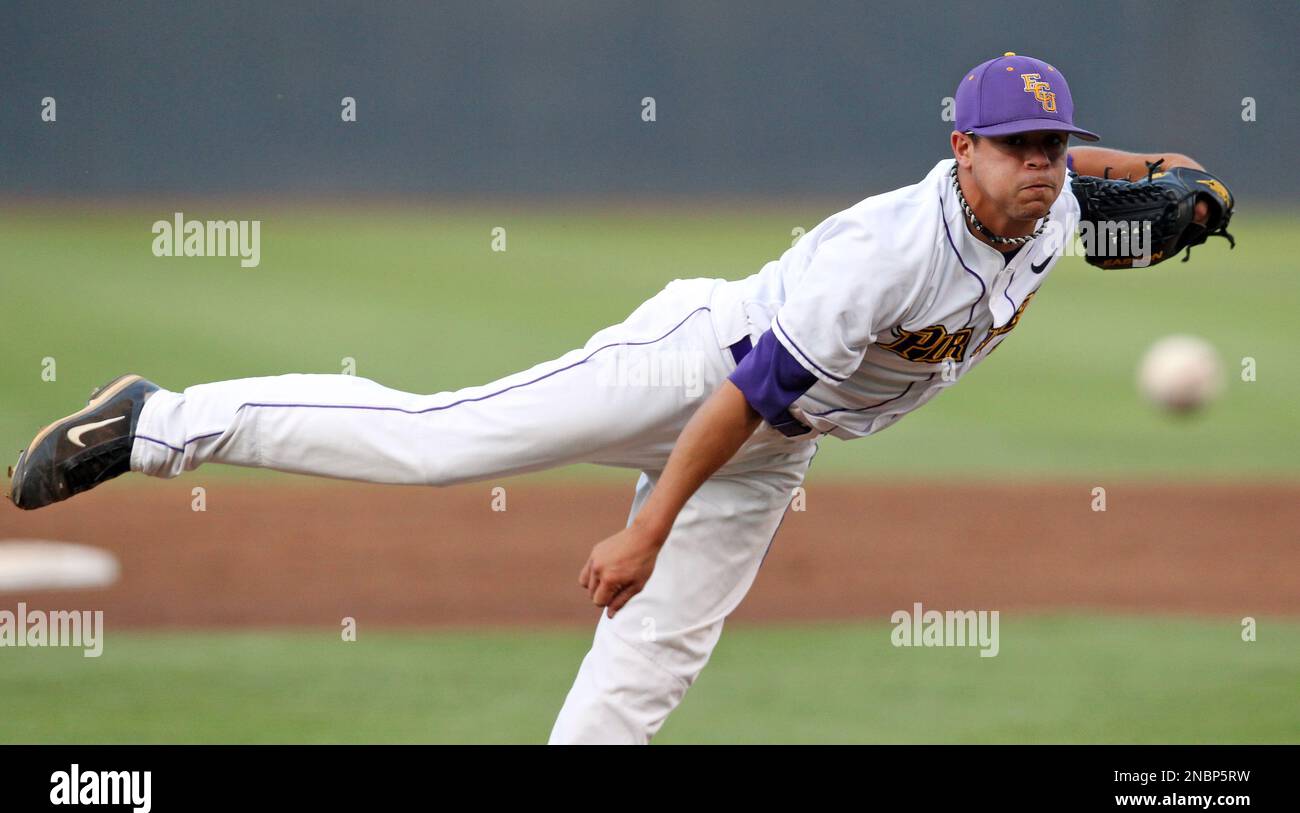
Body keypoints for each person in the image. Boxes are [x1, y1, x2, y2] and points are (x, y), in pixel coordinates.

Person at [6, 53, 1219, 743]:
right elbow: (749, 390)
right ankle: (159, 421)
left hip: (774, 452)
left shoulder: (1052, 206)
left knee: (647, 677)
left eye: (1053, 145)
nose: (1042, 166)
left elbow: (1113, 196)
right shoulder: (884, 253)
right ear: (960, 151)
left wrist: (1170, 185)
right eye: (1017, 146)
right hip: (698, 369)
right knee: (444, 440)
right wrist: (644, 527)